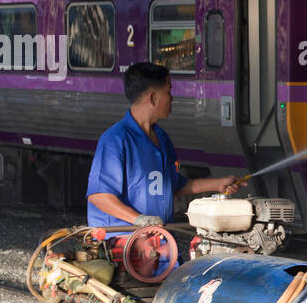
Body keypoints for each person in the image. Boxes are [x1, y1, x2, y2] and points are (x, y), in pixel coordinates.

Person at [87, 62, 242, 228]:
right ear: (153, 98)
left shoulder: (162, 138)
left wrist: (217, 184)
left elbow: (173, 186)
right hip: (125, 244)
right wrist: (139, 220)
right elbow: (99, 196)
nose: (172, 98)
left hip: (160, 241)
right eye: (168, 92)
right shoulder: (115, 140)